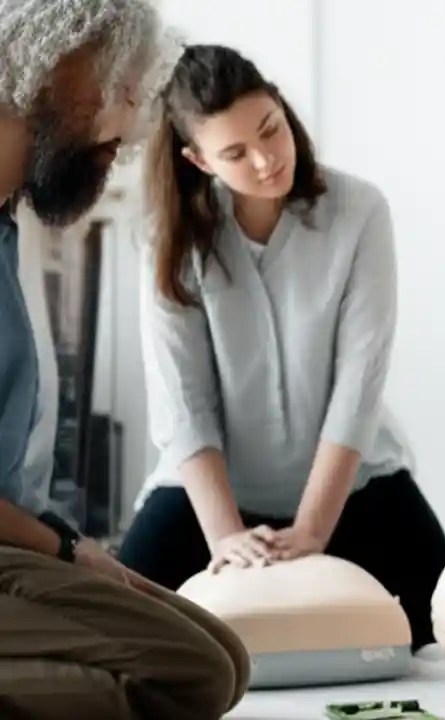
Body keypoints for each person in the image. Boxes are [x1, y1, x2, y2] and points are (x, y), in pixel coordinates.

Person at [115, 44, 445, 654]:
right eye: (236, 153)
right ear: (199, 160)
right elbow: (182, 401)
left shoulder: (359, 211)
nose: (268, 160)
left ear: (280, 104)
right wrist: (224, 539)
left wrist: (312, 531)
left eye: (270, 129)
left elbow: (359, 385)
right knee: (123, 629)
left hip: (350, 485)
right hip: (212, 493)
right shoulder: (169, 240)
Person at [0, 2, 251, 717]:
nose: (135, 128)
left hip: (17, 543)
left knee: (223, 659)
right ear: (61, 71)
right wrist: (68, 549)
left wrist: (74, 548)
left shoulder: (6, 227)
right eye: (126, 90)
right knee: (192, 674)